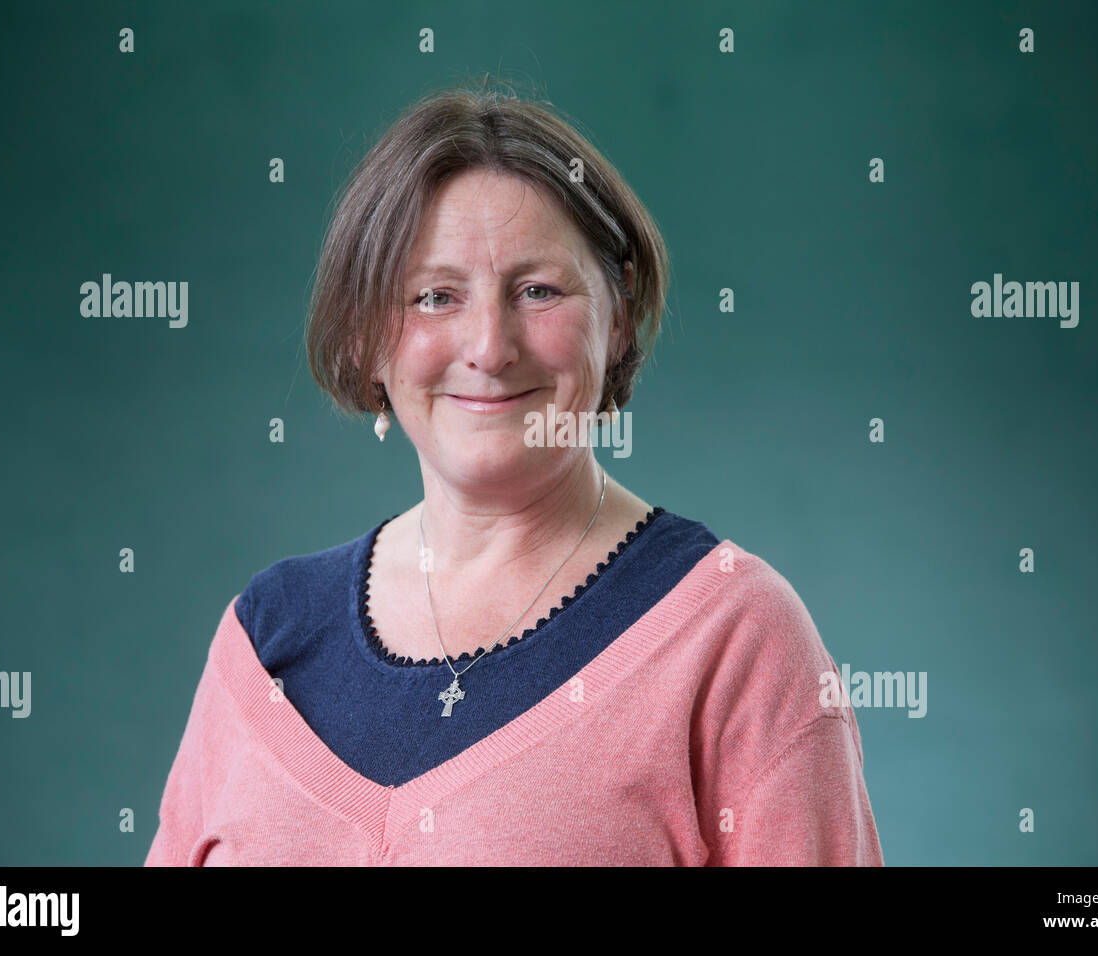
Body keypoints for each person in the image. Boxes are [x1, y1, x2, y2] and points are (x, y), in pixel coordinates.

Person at [145, 82, 883, 866]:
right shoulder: (265, 639)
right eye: (434, 297)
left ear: (619, 313)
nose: (489, 348)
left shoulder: (736, 639)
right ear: (364, 335)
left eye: (538, 290)